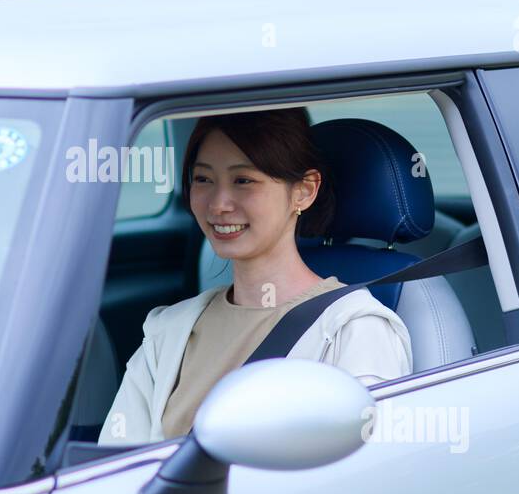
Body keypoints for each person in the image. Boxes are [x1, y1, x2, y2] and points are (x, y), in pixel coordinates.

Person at [99, 108, 412, 446]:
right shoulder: (168, 331)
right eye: (203, 179)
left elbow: (369, 478)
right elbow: (114, 467)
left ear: (304, 191)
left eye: (243, 180)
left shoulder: (354, 329)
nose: (218, 204)